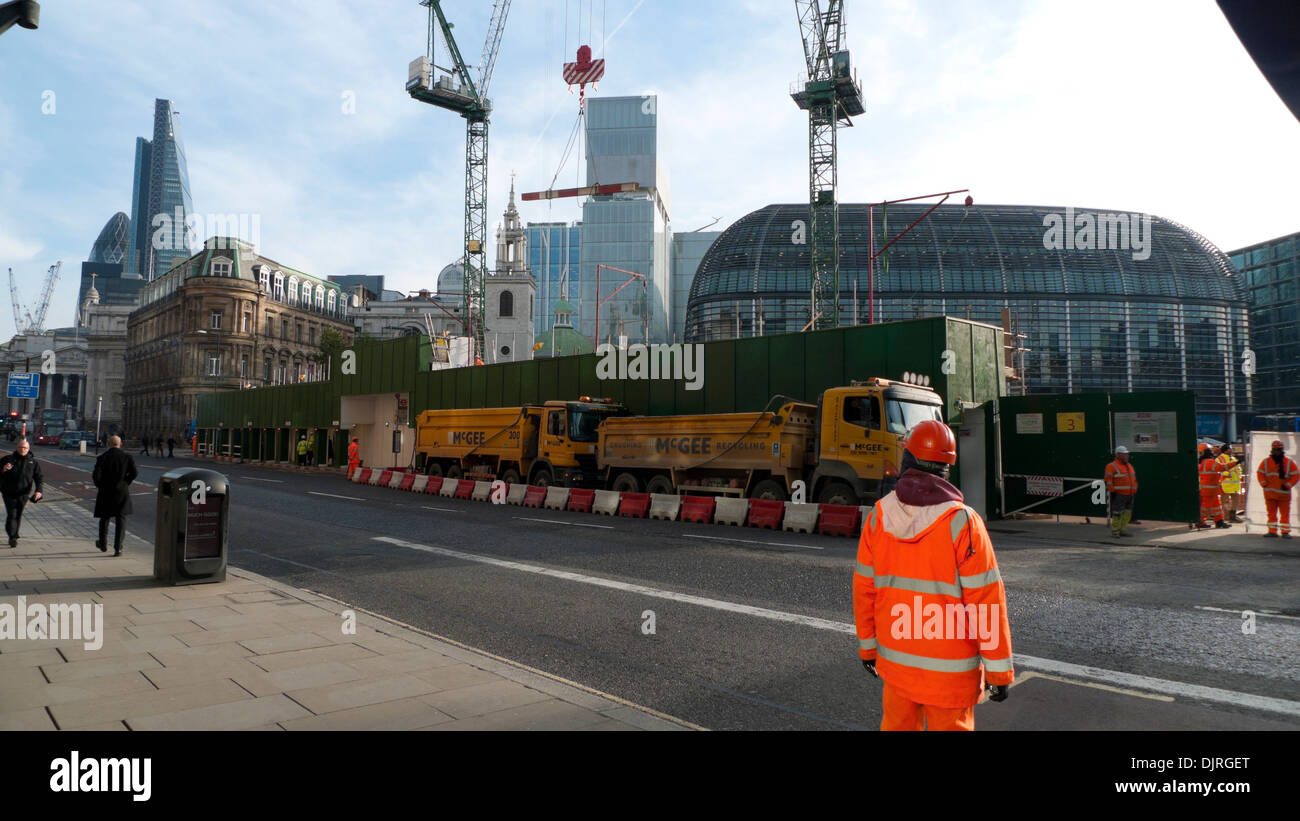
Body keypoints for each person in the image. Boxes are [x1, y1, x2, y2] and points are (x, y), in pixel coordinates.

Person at [854, 419, 1014, 731]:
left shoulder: (879, 516)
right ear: (946, 468)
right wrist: (998, 672)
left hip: (897, 668)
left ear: (907, 459)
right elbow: (986, 603)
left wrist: (869, 649)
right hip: (950, 676)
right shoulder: (963, 523)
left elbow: (865, 591)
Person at [92, 435, 138, 556]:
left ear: (109, 444)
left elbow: (96, 476)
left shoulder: (102, 458)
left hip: (105, 491)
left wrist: (100, 485)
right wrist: (125, 482)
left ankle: (103, 544)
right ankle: (118, 548)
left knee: (104, 518)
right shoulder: (127, 457)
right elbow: (134, 473)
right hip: (121, 491)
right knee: (121, 519)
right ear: (120, 444)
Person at [0, 438, 43, 548]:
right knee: (12, 514)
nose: (23, 449)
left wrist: (39, 491)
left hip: (24, 493)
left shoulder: (33, 462)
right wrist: (3, 469)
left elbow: (39, 477)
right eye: (20, 447)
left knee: (18, 514)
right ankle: (12, 537)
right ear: (17, 448)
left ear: (28, 449)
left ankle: (14, 533)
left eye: (25, 448)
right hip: (8, 492)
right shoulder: (7, 459)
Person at [1257, 440, 1299, 539]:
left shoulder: (1288, 463)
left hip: (1283, 494)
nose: (1276, 452)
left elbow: (1296, 475)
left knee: (1284, 514)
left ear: (1281, 450)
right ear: (1272, 450)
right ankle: (1272, 531)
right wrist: (1263, 484)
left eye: (1278, 450)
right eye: (1275, 450)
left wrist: (1288, 485)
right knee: (1271, 514)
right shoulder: (1266, 462)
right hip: (1270, 494)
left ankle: (1285, 532)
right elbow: (1260, 473)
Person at [1104, 445, 1138, 537]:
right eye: (1125, 454)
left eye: (1127, 454)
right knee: (1117, 513)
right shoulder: (1111, 466)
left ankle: (1122, 529)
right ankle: (1115, 531)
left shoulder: (1129, 466)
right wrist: (1113, 491)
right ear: (1118, 454)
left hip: (1130, 494)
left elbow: (1133, 479)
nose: (1127, 456)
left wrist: (1134, 488)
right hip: (1119, 494)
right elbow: (1108, 480)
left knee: (1127, 513)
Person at [1197, 443, 1229, 529]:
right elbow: (1220, 469)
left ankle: (1219, 521)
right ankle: (1200, 521)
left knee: (1217, 506)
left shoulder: (1201, 463)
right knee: (1205, 507)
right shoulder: (1209, 462)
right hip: (1209, 489)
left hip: (1209, 489)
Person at [1216, 444, 1244, 524]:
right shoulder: (1219, 459)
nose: (1232, 450)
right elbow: (1218, 470)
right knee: (1223, 501)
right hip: (1226, 484)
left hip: (1235, 485)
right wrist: (1226, 474)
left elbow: (1238, 469)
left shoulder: (1233, 458)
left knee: (1235, 502)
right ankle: (1224, 517)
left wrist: (1239, 476)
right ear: (1226, 450)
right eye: (1230, 449)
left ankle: (1232, 516)